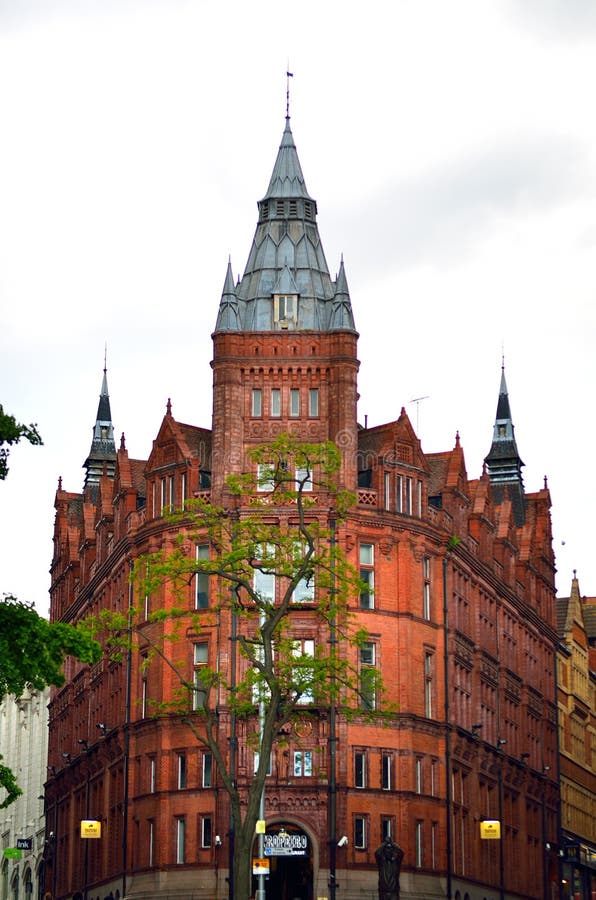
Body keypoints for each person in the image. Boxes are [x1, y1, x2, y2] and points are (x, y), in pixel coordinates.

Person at [375, 835, 404, 900]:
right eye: (387, 849)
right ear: (384, 851)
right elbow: (377, 853)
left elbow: (401, 853)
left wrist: (392, 843)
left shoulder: (396, 862)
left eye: (390, 849)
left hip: (394, 892)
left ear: (393, 851)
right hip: (383, 892)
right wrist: (385, 843)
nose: (389, 850)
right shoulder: (382, 862)